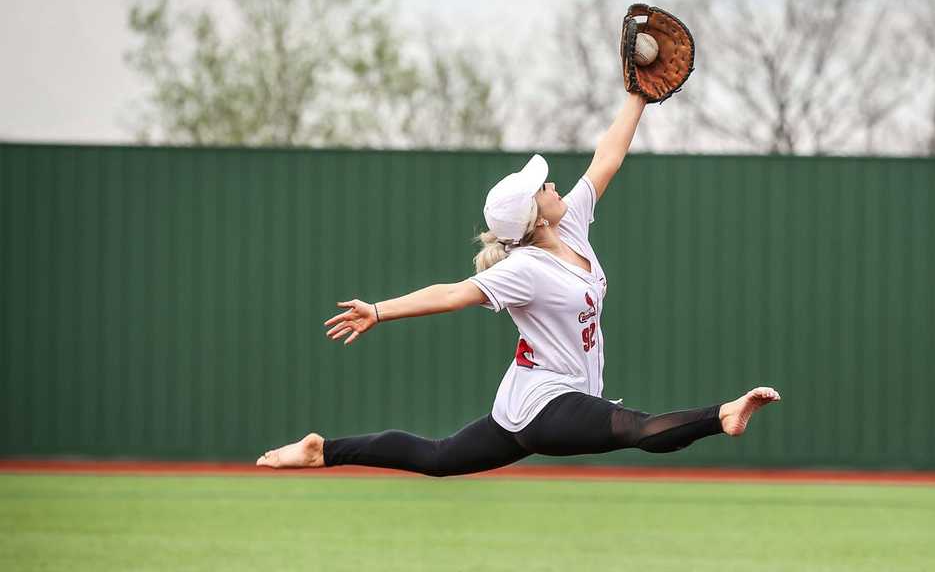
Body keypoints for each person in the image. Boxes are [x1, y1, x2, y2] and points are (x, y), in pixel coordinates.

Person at [256, 93, 780, 475]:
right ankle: (724, 415)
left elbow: (608, 158)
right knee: (636, 429)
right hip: (547, 403)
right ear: (534, 216)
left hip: (534, 401)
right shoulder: (524, 268)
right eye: (542, 187)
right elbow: (452, 293)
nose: (552, 184)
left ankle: (323, 450)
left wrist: (637, 97)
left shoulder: (569, 223)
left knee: (439, 458)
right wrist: (378, 309)